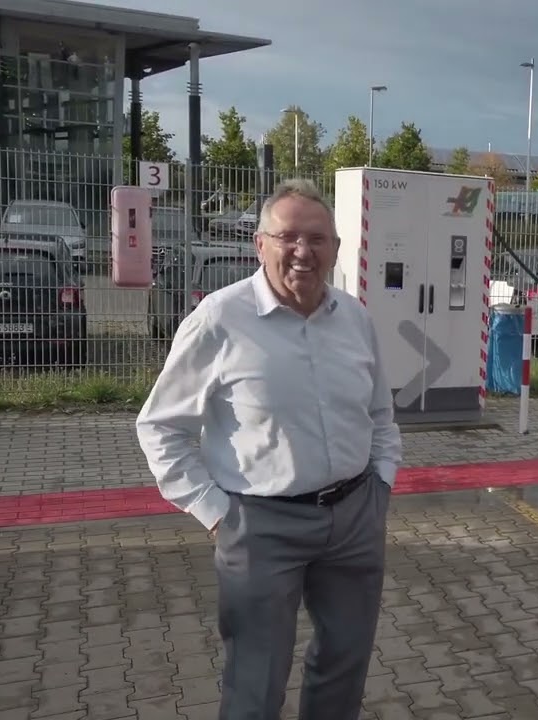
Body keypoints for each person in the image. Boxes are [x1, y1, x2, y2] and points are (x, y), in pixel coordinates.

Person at [136, 178, 403, 720]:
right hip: (259, 527)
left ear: (335, 248)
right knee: (256, 681)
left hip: (355, 519)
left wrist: (382, 482)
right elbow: (160, 427)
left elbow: (380, 414)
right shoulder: (219, 318)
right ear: (260, 244)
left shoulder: (354, 318)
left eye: (317, 238)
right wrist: (217, 515)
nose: (302, 251)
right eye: (287, 237)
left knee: (344, 665)